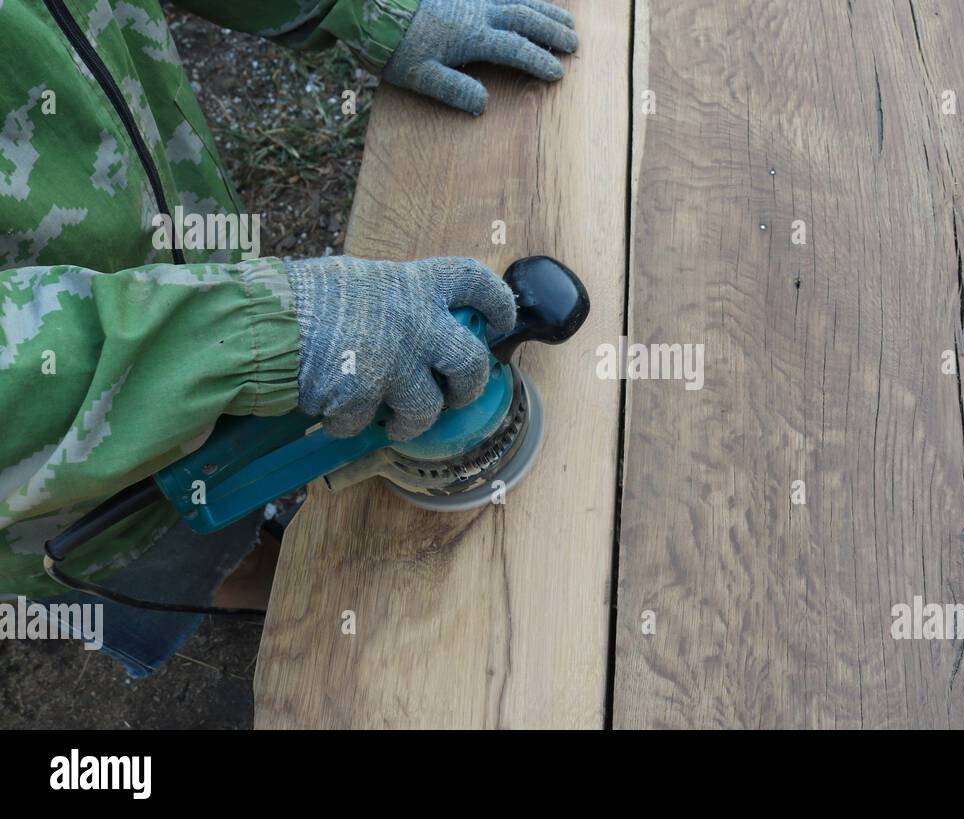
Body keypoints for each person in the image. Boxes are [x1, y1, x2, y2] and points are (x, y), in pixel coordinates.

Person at [0, 0, 578, 676]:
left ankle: (249, 539)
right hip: (47, 467)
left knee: (226, 459)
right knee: (147, 540)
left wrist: (359, 8)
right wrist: (261, 332)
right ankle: (239, 575)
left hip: (178, 253)